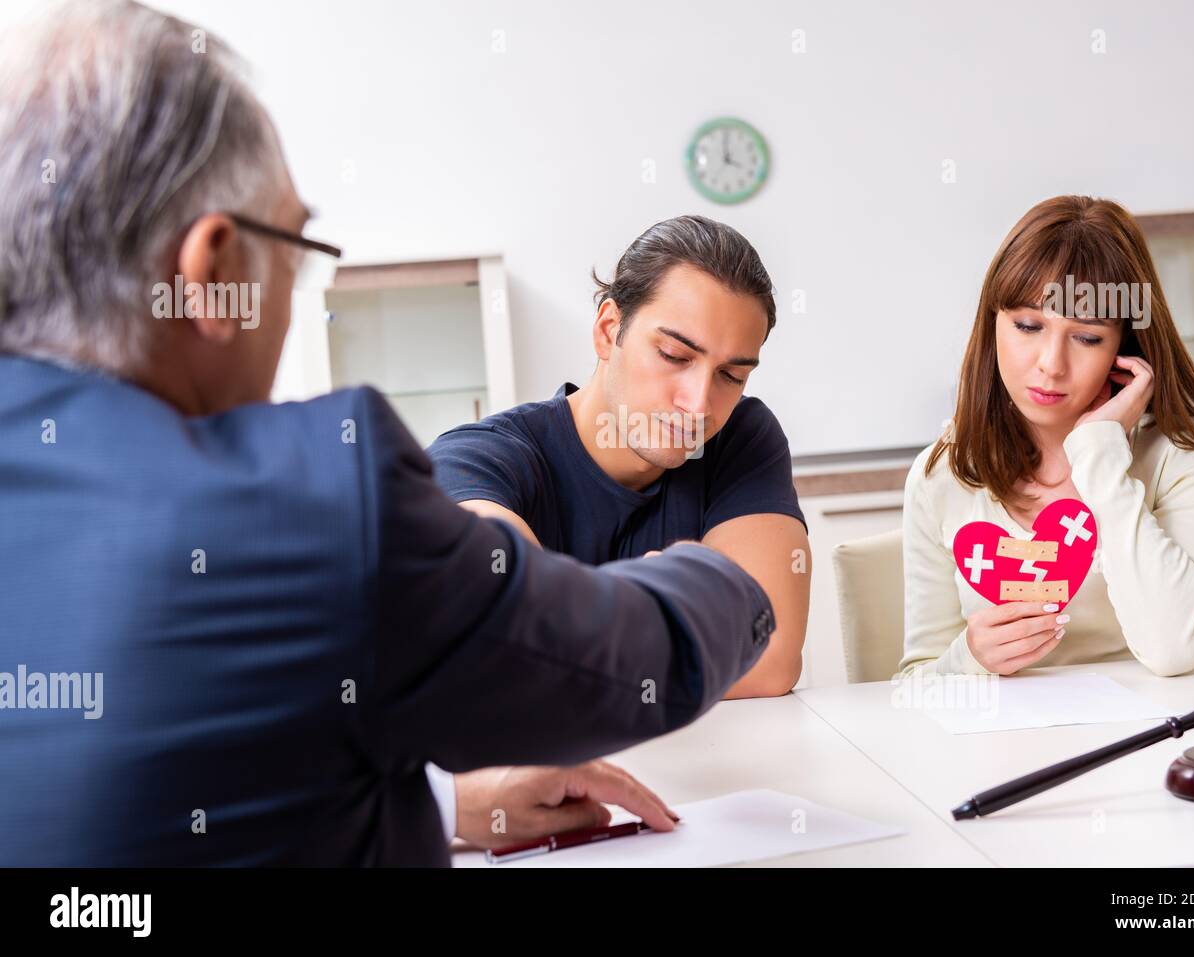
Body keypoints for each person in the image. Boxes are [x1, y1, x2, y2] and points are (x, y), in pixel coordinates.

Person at [0, 0, 775, 866]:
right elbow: (629, 653)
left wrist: (453, 800)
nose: (703, 398)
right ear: (212, 271)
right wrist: (733, 581)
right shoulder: (306, 502)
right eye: (295, 249)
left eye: (734, 373)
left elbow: (191, 761)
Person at [428, 215, 810, 699]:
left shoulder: (740, 440)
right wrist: (678, 604)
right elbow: (509, 638)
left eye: (731, 376)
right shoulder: (477, 461)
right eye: (674, 355)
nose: (697, 404)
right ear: (609, 330)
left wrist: (578, 629)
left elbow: (770, 658)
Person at [899, 195, 1194, 679]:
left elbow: (1175, 650)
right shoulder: (942, 474)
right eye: (1027, 326)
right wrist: (971, 658)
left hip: (1146, 739)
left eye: (1087, 337)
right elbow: (915, 680)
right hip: (1000, 749)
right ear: (993, 325)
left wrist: (1100, 454)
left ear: (1125, 347)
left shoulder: (1182, 462)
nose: (1051, 364)